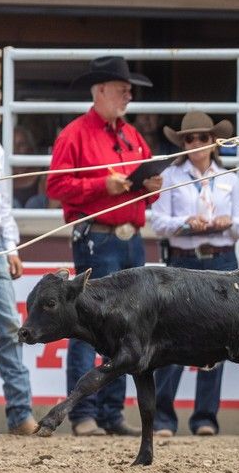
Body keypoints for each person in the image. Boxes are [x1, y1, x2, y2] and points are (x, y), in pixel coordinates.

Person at [47, 56, 163, 436]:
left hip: (128, 239)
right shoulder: (75, 135)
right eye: (122, 88)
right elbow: (56, 187)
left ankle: (109, 414)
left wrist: (150, 191)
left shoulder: (132, 136)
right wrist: (102, 186)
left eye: (129, 89)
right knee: (88, 325)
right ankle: (83, 415)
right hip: (98, 238)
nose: (129, 94)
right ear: (100, 91)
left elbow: (145, 189)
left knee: (128, 330)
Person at [149, 111, 239, 438]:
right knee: (170, 339)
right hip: (185, 258)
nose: (195, 144)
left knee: (217, 339)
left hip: (219, 257)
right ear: (183, 143)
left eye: (202, 138)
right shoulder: (171, 178)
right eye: (189, 139)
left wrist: (228, 224)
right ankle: (164, 418)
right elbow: (158, 223)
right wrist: (184, 223)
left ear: (212, 142)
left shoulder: (230, 180)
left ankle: (205, 417)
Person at [0, 87, 36, 435]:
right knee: (7, 329)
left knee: (9, 328)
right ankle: (19, 413)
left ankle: (20, 414)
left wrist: (11, 247)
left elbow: (1, 204)